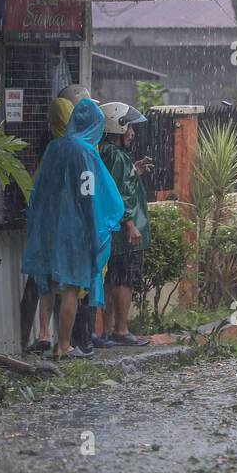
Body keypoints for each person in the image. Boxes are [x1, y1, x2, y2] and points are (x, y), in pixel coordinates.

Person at [22, 97, 124, 360]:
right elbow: (89, 195)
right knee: (71, 287)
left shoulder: (54, 148)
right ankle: (64, 345)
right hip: (75, 229)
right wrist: (94, 229)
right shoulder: (86, 152)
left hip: (50, 225)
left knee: (50, 281)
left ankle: (45, 335)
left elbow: (40, 188)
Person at [95, 101, 154, 347]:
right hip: (125, 231)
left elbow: (116, 184)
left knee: (112, 279)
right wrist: (130, 223)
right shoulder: (117, 156)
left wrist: (134, 170)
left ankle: (108, 329)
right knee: (125, 279)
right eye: (128, 126)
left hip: (112, 230)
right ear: (117, 127)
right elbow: (121, 193)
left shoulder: (106, 152)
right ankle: (121, 329)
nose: (132, 133)